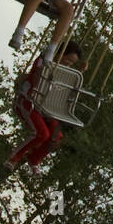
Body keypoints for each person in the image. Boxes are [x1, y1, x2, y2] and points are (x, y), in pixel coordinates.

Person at [7, 40, 82, 171]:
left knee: (56, 136)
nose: (68, 64)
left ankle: (34, 158)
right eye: (68, 60)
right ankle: (14, 157)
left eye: (72, 63)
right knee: (42, 133)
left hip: (45, 108)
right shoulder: (45, 61)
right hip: (28, 101)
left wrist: (80, 71)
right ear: (60, 53)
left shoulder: (62, 71)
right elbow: (37, 76)